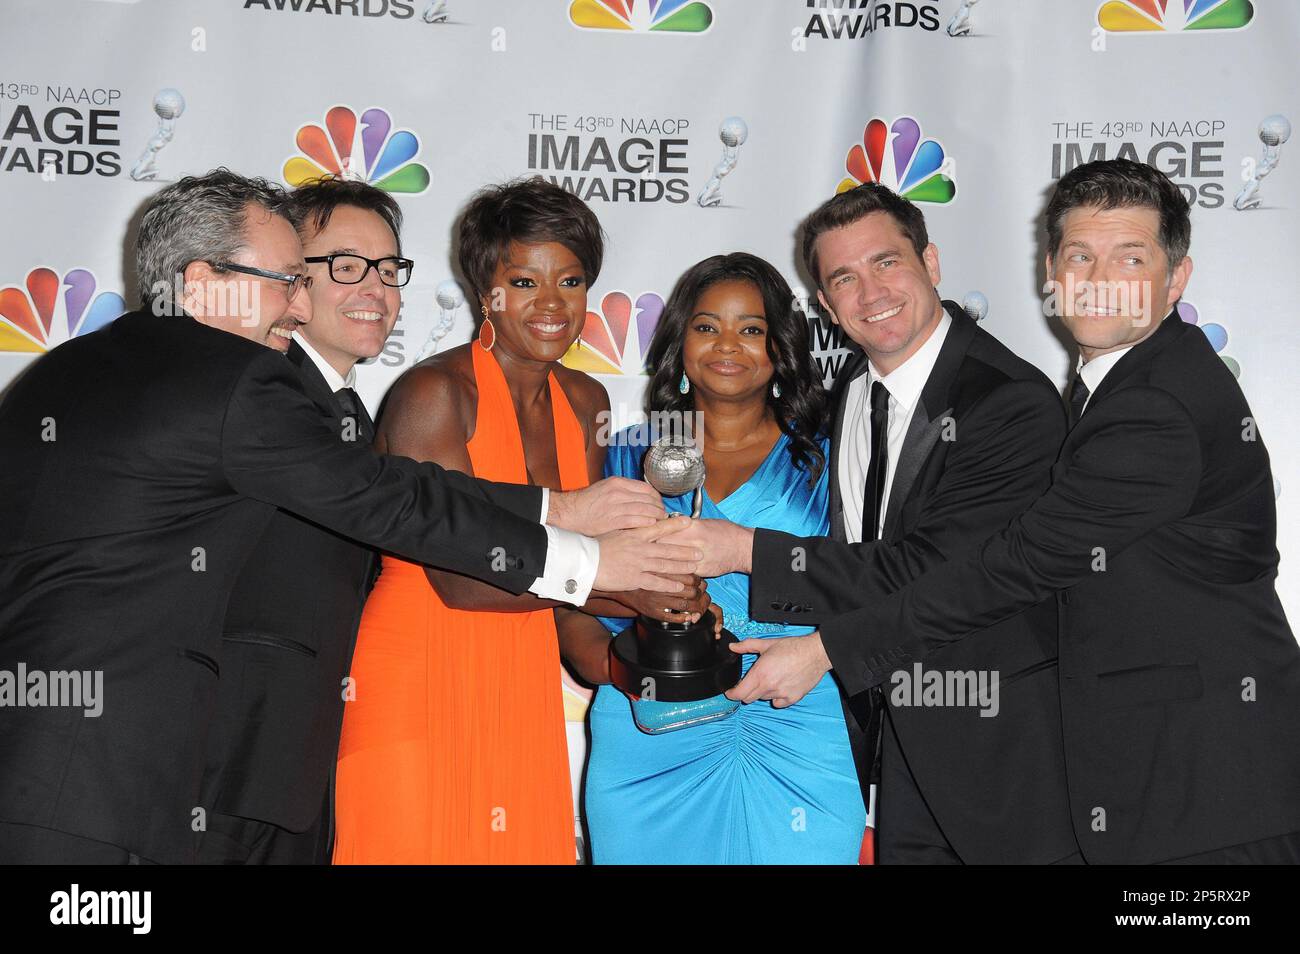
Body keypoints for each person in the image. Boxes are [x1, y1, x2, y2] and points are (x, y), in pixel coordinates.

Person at [0, 169, 697, 865]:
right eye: (290, 278)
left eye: (388, 270)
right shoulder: (235, 381)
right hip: (127, 781)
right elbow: (391, 501)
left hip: (108, 769)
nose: (297, 305)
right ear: (203, 282)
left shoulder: (71, 369)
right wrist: (585, 543)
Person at [683, 160, 1300, 864]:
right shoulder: (1113, 384)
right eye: (1081, 257)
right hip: (1108, 776)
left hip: (1197, 788)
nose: (1100, 281)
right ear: (1051, 269)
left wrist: (819, 641)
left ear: (1177, 278)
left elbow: (1003, 569)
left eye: (1130, 258)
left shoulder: (1147, 408)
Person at [658, 190, 1077, 865]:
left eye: (886, 262)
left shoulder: (1008, 401)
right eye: (843, 278)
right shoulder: (850, 389)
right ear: (825, 304)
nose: (870, 292)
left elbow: (936, 572)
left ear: (931, 261)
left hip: (996, 754)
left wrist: (745, 552)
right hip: (883, 752)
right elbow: (857, 554)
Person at [332, 178, 709, 865]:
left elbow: (565, 595)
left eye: (570, 280)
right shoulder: (431, 393)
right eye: (524, 280)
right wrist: (636, 590)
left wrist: (653, 642)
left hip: (522, 687)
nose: (552, 304)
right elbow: (466, 574)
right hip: (417, 680)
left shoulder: (585, 398)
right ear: (487, 291)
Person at [558, 252, 866, 864]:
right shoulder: (628, 456)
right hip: (651, 732)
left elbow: (874, 583)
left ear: (781, 346)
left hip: (795, 718)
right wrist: (623, 662)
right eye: (706, 326)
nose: (728, 345)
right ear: (680, 341)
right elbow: (572, 589)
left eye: (751, 329)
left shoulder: (832, 458)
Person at [197, 177, 410, 864]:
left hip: (304, 764)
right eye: (345, 267)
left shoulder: (347, 413)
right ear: (292, 281)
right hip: (231, 760)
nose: (375, 290)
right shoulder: (265, 395)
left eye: (390, 270)